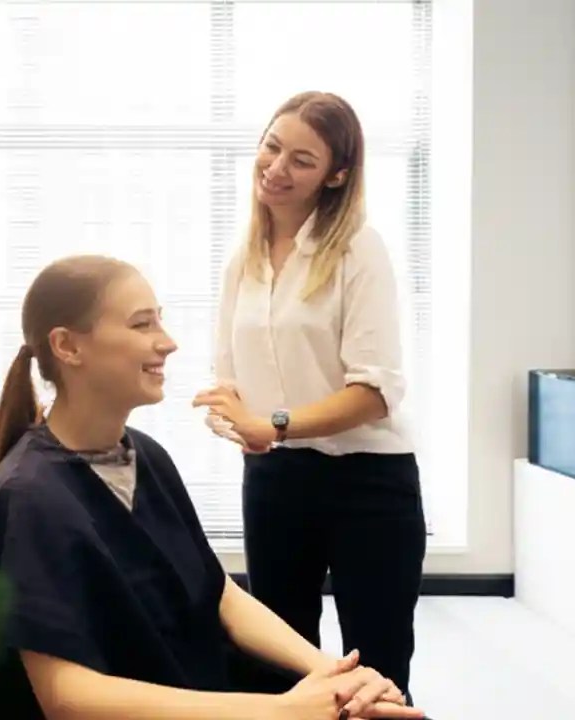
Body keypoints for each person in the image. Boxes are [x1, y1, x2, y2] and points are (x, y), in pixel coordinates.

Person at [0, 255, 425, 719]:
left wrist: (330, 673)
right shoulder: (32, 496)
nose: (168, 341)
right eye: (143, 324)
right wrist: (280, 712)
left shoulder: (145, 458)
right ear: (68, 346)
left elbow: (215, 591)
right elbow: (66, 696)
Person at [193, 91, 427, 703]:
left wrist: (271, 423)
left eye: (302, 159)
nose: (276, 167)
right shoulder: (241, 261)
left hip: (368, 483)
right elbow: (229, 379)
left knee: (375, 669)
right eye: (272, 146)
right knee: (276, 659)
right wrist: (234, 421)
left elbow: (376, 391)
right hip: (274, 479)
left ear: (336, 175)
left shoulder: (357, 249)